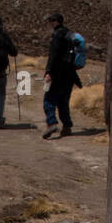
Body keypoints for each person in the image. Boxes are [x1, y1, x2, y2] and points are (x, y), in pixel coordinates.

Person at [42, 11, 80, 140]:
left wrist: (48, 72)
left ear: (56, 21)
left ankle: (52, 123)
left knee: (49, 100)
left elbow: (53, 56)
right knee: (63, 102)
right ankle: (67, 126)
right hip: (69, 75)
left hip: (57, 74)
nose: (50, 23)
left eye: (51, 21)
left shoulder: (57, 35)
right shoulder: (70, 35)